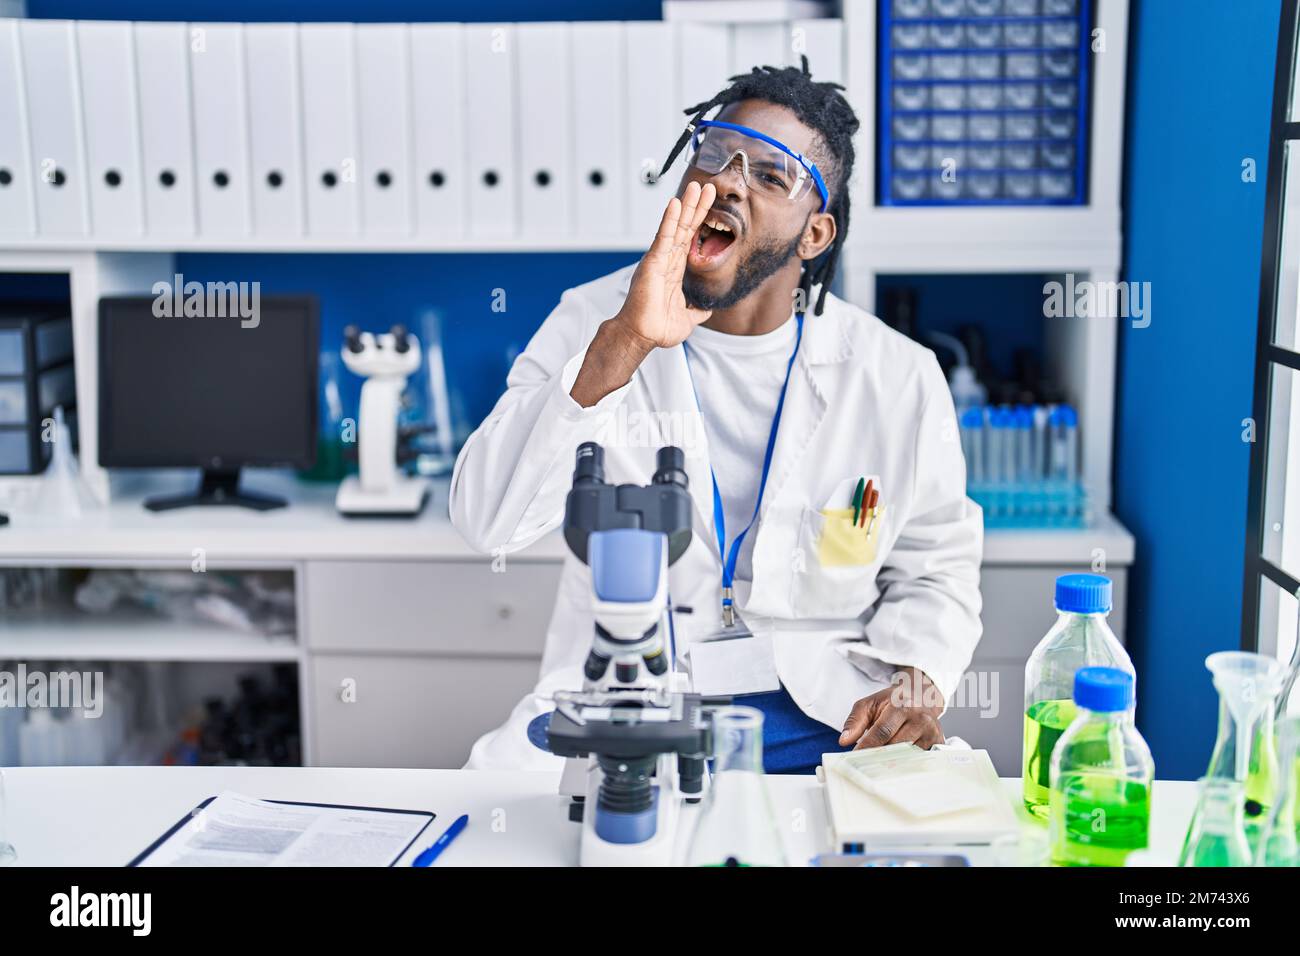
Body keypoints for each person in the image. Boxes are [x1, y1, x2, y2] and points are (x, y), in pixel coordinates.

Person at [450, 59, 982, 773]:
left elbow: (935, 569)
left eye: (770, 176)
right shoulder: (593, 320)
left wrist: (917, 676)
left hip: (823, 711)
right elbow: (487, 521)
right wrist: (624, 342)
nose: (727, 180)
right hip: (623, 699)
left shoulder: (896, 376)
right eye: (714, 154)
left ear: (816, 234)